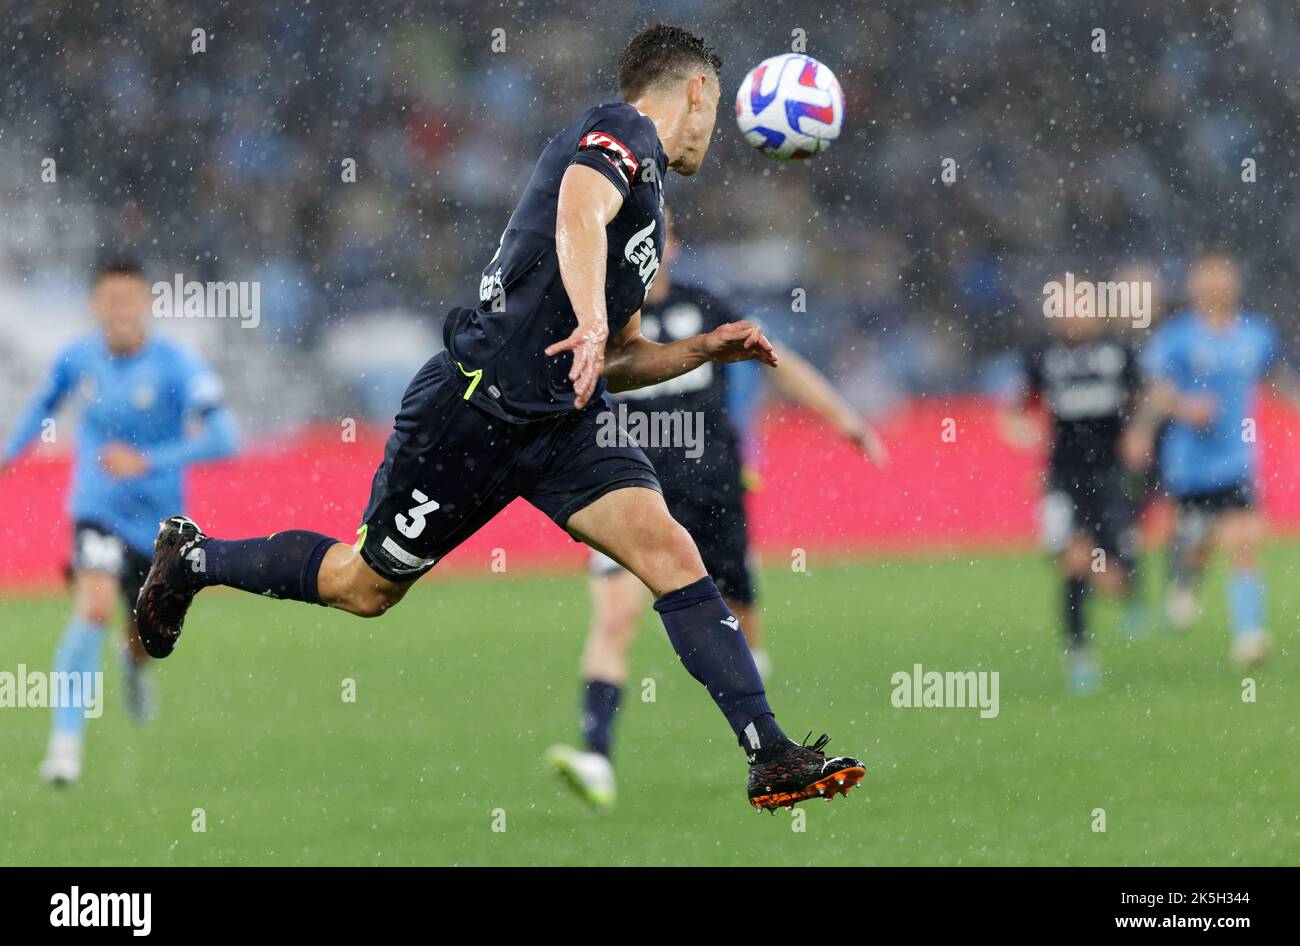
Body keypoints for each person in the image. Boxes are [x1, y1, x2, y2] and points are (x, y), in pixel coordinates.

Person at [134, 24, 865, 812]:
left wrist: (702, 350)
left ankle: (770, 755)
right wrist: (588, 322)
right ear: (694, 92)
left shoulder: (650, 204)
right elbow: (578, 212)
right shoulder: (619, 131)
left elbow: (615, 354)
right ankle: (196, 564)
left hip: (562, 423)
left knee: (672, 552)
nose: (711, 134)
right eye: (713, 111)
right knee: (363, 587)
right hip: (473, 408)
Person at [546, 207, 885, 808]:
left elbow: (782, 364)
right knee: (614, 621)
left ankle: (763, 737)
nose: (645, 247)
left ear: (671, 245)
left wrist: (846, 421)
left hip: (714, 492)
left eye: (656, 235)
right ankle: (596, 757)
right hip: (631, 495)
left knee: (744, 625)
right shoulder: (598, 320)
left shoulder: (707, 307)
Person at [0, 257, 238, 784]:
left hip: (158, 528)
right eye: (110, 301)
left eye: (129, 300)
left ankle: (132, 663)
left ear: (147, 303)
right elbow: (43, 405)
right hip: (98, 510)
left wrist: (149, 461)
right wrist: (9, 454)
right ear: (95, 305)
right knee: (92, 606)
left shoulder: (177, 365)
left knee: (141, 636)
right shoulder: (77, 359)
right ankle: (64, 748)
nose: (120, 311)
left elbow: (226, 438)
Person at [1125, 254, 1300, 666]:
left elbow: (1280, 382)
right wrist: (1172, 414)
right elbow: (1155, 390)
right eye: (1208, 280)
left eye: (1223, 279)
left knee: (1243, 540)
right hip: (1188, 464)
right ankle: (1185, 580)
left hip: (1236, 458)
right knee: (1199, 542)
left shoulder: (1256, 334)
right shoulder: (1177, 337)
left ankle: (1249, 636)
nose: (1217, 287)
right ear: (1194, 287)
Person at [1001, 274, 1142, 692]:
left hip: (1111, 476)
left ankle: (1128, 590)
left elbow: (1144, 399)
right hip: (1064, 478)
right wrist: (1024, 433)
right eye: (1065, 307)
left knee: (1117, 573)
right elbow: (1015, 410)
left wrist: (1140, 433)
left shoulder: (1118, 354)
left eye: (1081, 305)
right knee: (1074, 562)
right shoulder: (1043, 357)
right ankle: (1079, 653)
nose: (1073, 316)